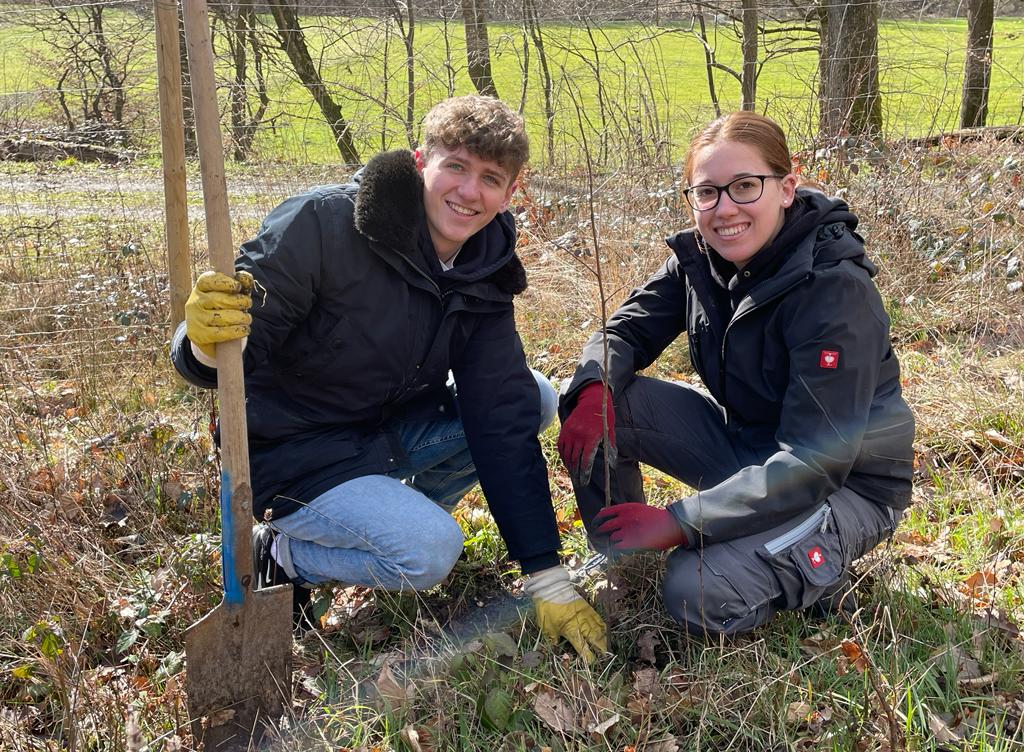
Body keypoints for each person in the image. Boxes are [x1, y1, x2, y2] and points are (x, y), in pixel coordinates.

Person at [171, 95, 606, 661]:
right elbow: (229, 355)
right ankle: (282, 555)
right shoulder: (322, 225)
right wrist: (202, 343)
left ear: (510, 193)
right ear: (421, 161)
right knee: (429, 552)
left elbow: (499, 408)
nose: (469, 191)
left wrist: (545, 574)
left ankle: (393, 518)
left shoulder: (485, 266)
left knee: (534, 396)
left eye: (490, 178)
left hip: (386, 432)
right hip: (294, 451)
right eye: (455, 166)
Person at [557, 111, 915, 635]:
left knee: (697, 589)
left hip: (844, 485)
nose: (725, 209)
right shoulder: (701, 259)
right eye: (707, 192)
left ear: (786, 188)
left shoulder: (834, 292)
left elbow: (815, 463)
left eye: (745, 186)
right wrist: (594, 389)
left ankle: (816, 569)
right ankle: (625, 559)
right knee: (601, 398)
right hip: (750, 449)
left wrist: (680, 522)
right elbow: (623, 333)